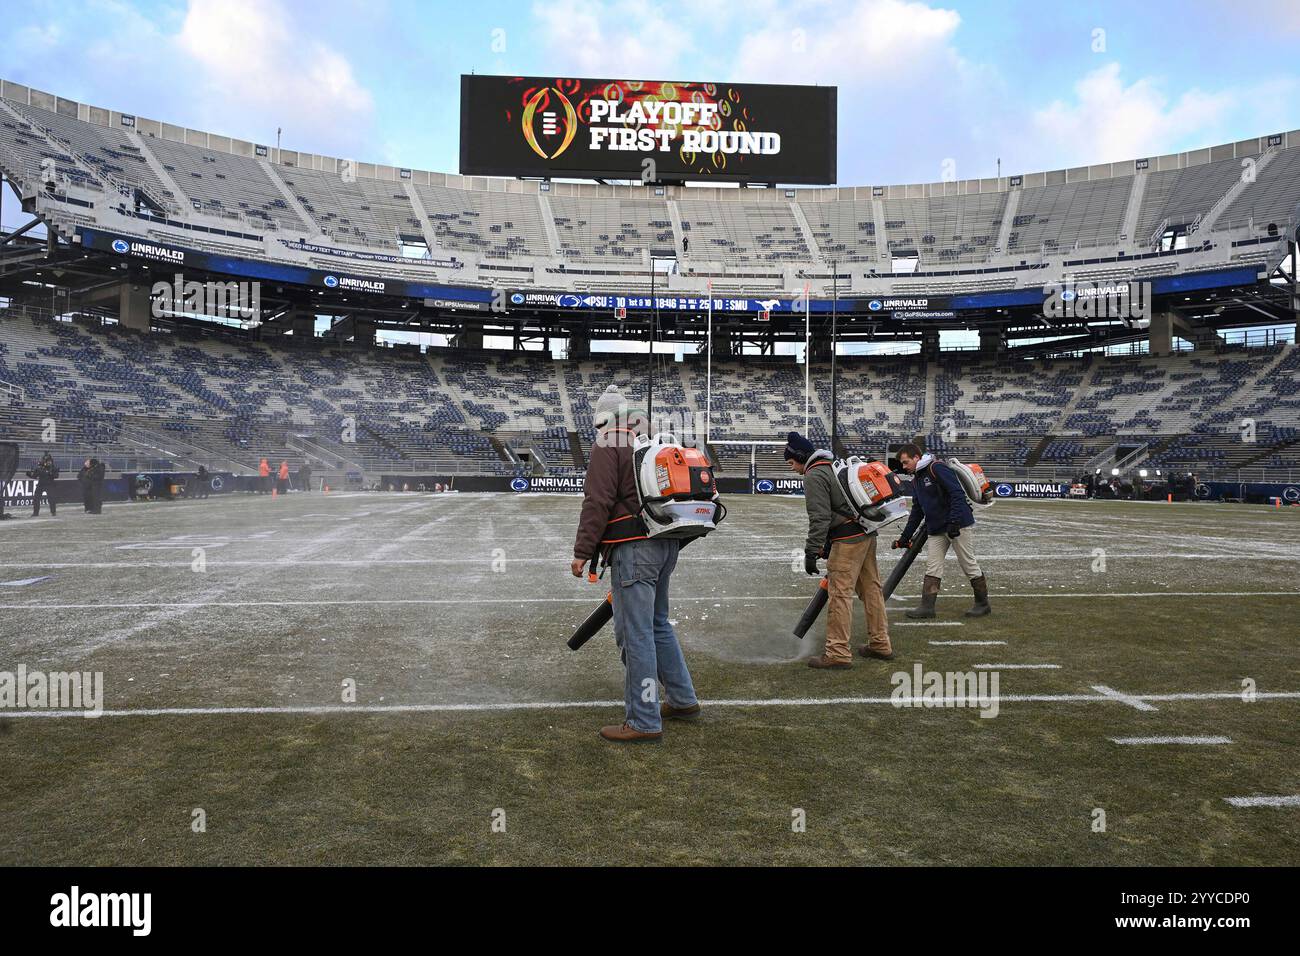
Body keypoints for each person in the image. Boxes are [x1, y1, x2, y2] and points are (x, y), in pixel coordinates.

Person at [571, 384, 698, 744]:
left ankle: (643, 720)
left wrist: (582, 552)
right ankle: (683, 698)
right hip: (665, 544)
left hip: (633, 549)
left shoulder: (608, 443)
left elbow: (598, 500)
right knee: (658, 625)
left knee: (636, 633)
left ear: (602, 418)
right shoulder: (649, 442)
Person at [784, 431, 893, 669]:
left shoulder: (814, 474)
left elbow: (820, 517)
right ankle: (880, 643)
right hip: (865, 533)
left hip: (847, 541)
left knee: (840, 595)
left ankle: (838, 653)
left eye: (791, 462)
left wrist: (811, 552)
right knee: (872, 590)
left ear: (801, 457)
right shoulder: (832, 465)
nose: (791, 468)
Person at [894, 444, 990, 619]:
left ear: (917, 457)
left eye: (906, 462)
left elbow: (957, 493)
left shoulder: (936, 467)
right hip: (936, 528)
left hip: (958, 525)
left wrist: (954, 521)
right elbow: (917, 511)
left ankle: (983, 604)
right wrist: (905, 537)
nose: (904, 466)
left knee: (968, 563)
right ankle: (927, 607)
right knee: (933, 566)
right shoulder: (916, 479)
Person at [28, 452, 59, 517]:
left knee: (51, 499)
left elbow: (56, 476)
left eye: (49, 461)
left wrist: (50, 473)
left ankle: (53, 512)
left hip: (50, 484)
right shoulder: (40, 468)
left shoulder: (53, 468)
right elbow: (34, 476)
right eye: (47, 461)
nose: (49, 462)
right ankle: (35, 513)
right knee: (36, 498)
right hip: (41, 484)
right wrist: (29, 474)